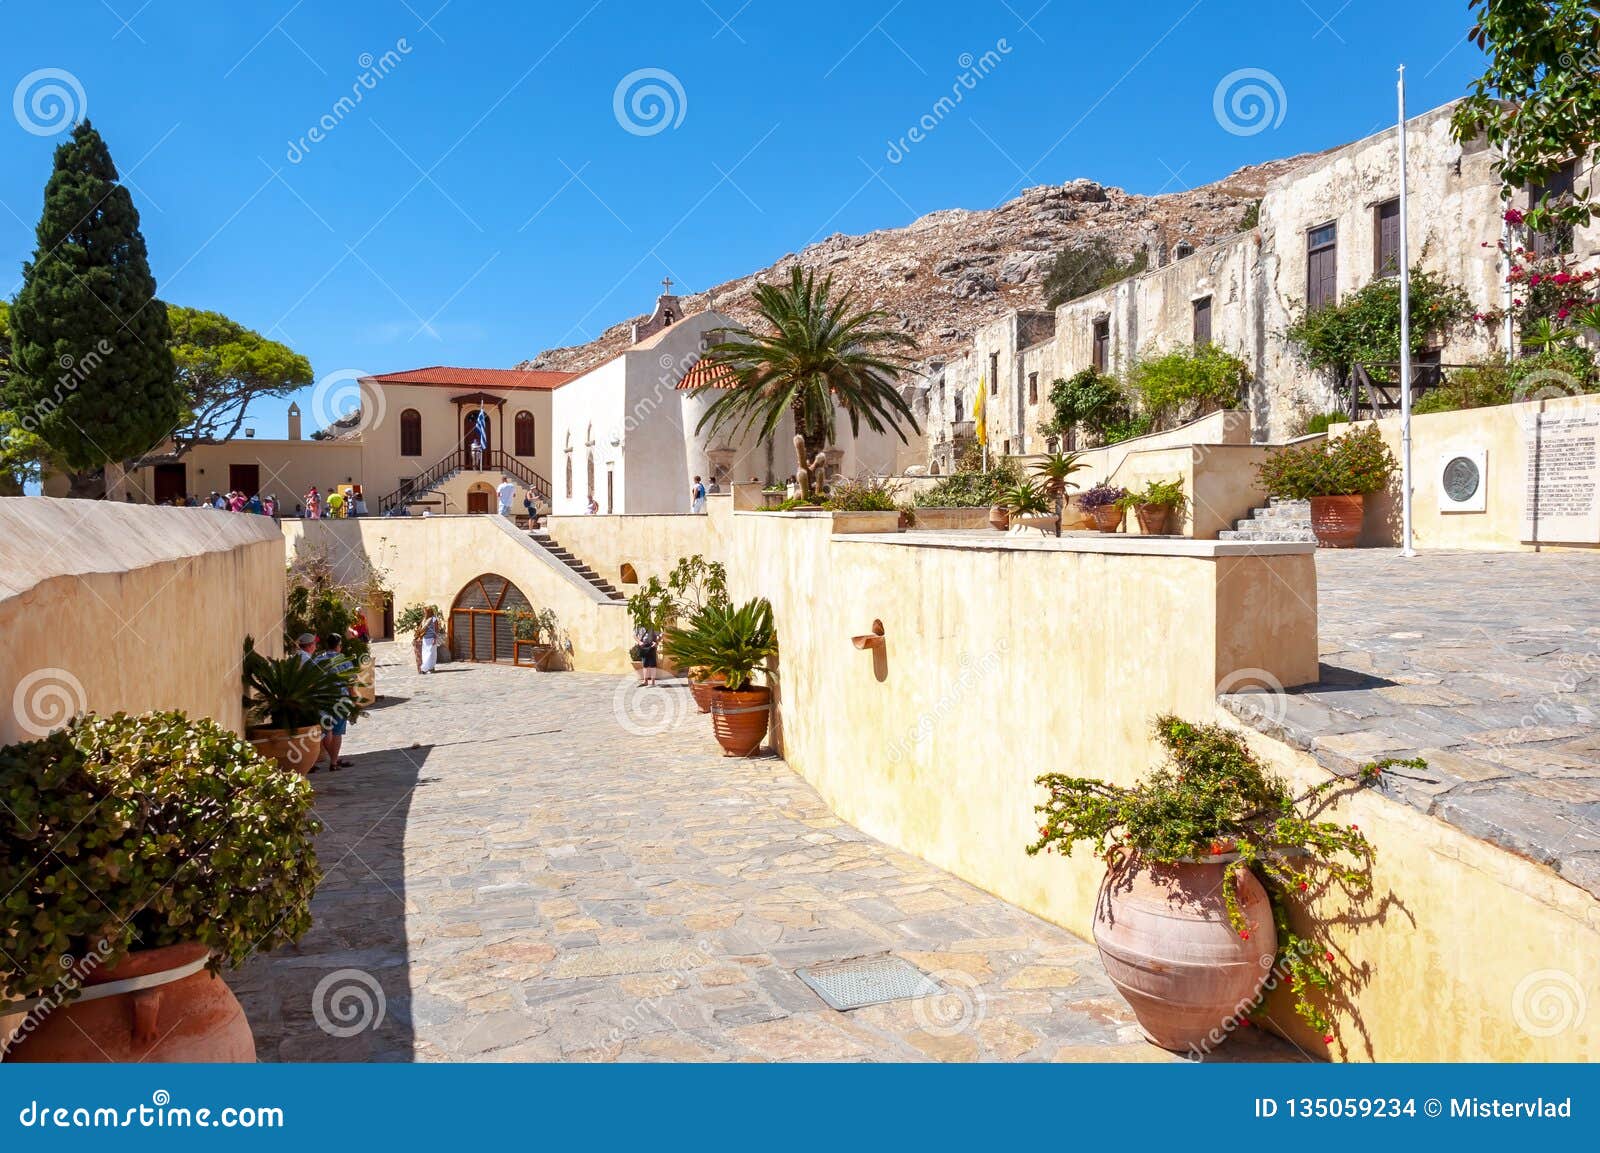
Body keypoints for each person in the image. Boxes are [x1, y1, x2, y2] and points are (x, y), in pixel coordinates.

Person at [315, 633, 355, 770]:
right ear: (338, 646)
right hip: (340, 700)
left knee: (327, 730)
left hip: (322, 699)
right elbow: (351, 682)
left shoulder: (319, 659)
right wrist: (354, 700)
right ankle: (333, 762)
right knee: (337, 731)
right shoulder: (344, 660)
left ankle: (333, 759)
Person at [634, 622, 661, 687]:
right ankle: (645, 681)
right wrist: (639, 642)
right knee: (645, 664)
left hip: (652, 646)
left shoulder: (653, 625)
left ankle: (653, 682)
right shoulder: (639, 625)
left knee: (653, 665)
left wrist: (656, 643)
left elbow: (660, 635)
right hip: (643, 646)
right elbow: (634, 635)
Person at [419, 608, 440, 674]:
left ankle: (429, 668)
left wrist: (435, 639)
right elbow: (422, 628)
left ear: (429, 612)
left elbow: (436, 629)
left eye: (425, 612)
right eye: (424, 612)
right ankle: (426, 668)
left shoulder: (434, 619)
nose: (424, 613)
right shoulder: (425, 619)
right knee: (425, 654)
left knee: (431, 654)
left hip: (431, 639)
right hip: (425, 639)